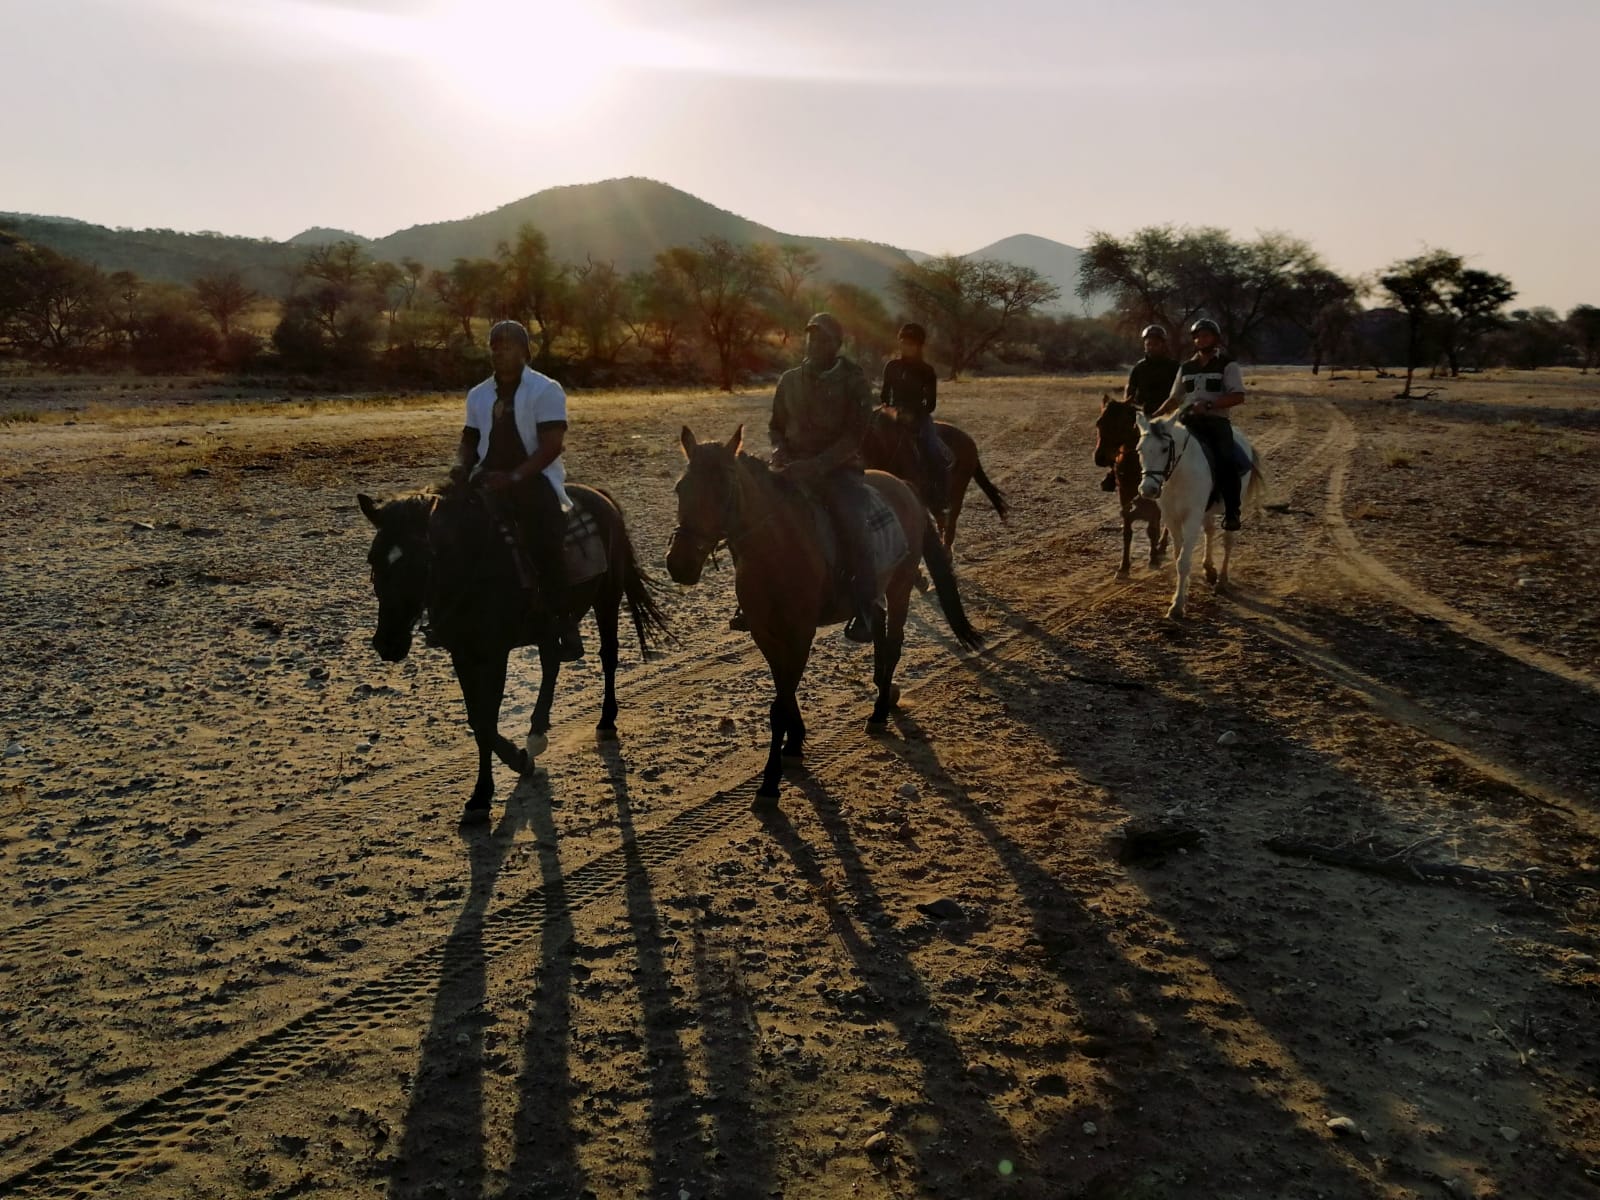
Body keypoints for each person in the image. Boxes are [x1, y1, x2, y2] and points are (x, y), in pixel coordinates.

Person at [450, 320, 585, 660]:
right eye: (495, 346)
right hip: (486, 478)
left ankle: (563, 620)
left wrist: (513, 478)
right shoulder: (478, 394)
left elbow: (551, 446)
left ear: (525, 351)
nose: (499, 352)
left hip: (532, 480)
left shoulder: (545, 389)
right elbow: (470, 440)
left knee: (545, 539)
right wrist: (460, 468)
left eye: (507, 346)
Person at [771, 312, 881, 643]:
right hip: (792, 467)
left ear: (837, 345)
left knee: (854, 525)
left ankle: (866, 607)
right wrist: (781, 451)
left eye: (822, 339)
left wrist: (817, 465)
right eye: (811, 338)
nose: (814, 344)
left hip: (838, 470)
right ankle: (753, 599)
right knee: (754, 512)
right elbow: (776, 426)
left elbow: (854, 437)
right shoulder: (789, 380)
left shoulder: (854, 382)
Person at [1155, 317, 1246, 530]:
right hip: (1188, 422)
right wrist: (1155, 415)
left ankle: (1232, 512)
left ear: (1215, 338)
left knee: (1226, 459)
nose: (1201, 340)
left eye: (1206, 336)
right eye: (1197, 337)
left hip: (1216, 422)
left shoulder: (1228, 364)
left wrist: (1209, 405)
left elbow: (1238, 396)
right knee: (1162, 452)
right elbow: (1175, 398)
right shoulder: (1186, 367)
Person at [1102, 324, 1180, 491]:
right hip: (1143, 414)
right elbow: (1130, 390)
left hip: (1167, 415)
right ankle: (1113, 472)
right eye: (1148, 344)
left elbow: (1178, 394)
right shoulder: (1139, 367)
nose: (1151, 347)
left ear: (1163, 345)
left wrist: (1166, 411)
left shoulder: (1174, 367)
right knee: (1118, 437)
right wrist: (1128, 405)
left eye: (1155, 344)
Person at [880, 322, 949, 509]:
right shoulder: (891, 366)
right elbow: (884, 395)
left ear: (919, 346)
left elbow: (930, 404)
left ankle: (940, 497)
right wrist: (891, 410)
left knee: (933, 452)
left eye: (910, 344)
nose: (906, 346)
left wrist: (914, 413)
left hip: (918, 417)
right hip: (893, 415)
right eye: (903, 342)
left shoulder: (927, 371)